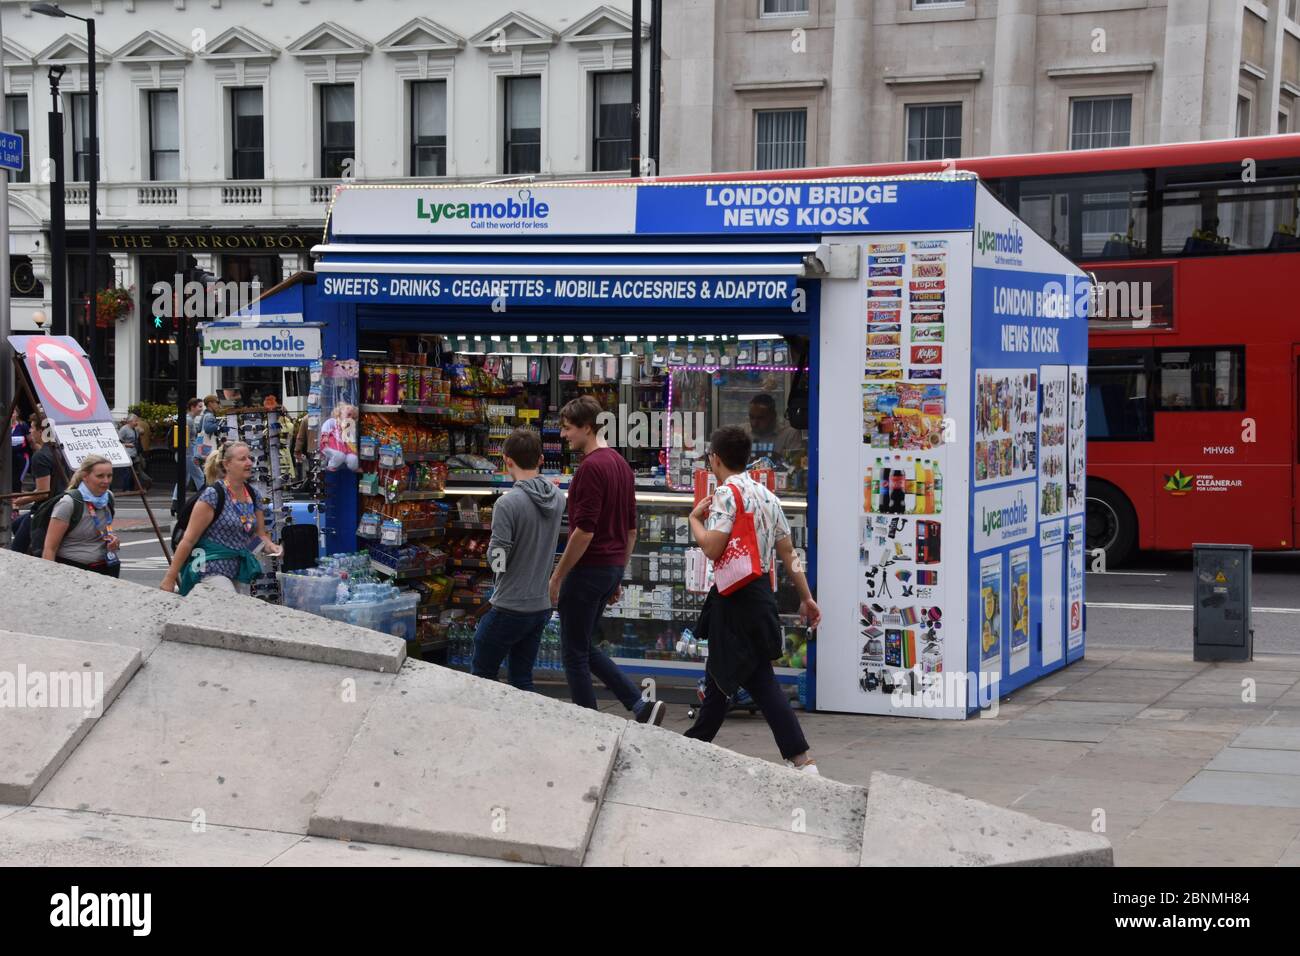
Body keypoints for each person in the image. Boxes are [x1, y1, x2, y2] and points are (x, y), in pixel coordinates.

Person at [683, 425, 822, 773]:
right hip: (759, 594)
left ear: (714, 459)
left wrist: (693, 520)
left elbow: (713, 547)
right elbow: (789, 554)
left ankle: (690, 748)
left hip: (733, 598)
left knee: (733, 675)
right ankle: (801, 760)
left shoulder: (726, 495)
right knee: (743, 678)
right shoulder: (766, 495)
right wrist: (806, 597)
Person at [549, 395, 666, 725]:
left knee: (573, 653)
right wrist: (618, 574)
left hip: (587, 569)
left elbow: (583, 532)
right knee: (583, 644)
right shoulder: (620, 465)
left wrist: (557, 577)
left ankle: (589, 724)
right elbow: (631, 530)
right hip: (610, 567)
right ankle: (640, 705)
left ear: (587, 428)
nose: (563, 435)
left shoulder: (590, 468)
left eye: (568, 428)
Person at [470, 427, 565, 691]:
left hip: (508, 606)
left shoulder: (507, 504)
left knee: (482, 676)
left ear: (507, 460)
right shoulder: (558, 498)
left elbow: (498, 558)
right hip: (540, 606)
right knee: (521, 679)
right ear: (541, 459)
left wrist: (491, 556)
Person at [159, 441, 282, 596]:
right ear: (227, 464)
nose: (250, 462)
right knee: (232, 607)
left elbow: (260, 535)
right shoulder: (213, 495)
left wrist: (271, 546)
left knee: (236, 615)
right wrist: (170, 578)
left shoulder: (253, 494)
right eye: (242, 459)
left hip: (237, 569)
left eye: (250, 458)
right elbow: (188, 539)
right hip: (210, 567)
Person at [40, 454, 121, 577]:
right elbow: (49, 548)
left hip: (104, 567)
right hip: (72, 570)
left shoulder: (109, 497)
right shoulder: (68, 503)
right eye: (100, 476)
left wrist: (112, 538)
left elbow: (101, 529)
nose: (106, 481)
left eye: (109, 476)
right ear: (85, 476)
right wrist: (49, 579)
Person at [746, 394, 804, 463]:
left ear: (773, 416)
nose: (754, 423)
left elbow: (797, 465)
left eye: (760, 418)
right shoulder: (744, 433)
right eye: (751, 417)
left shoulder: (790, 434)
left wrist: (777, 458)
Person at [117, 414, 143, 490]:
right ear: (130, 421)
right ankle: (126, 489)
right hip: (127, 454)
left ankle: (132, 488)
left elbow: (142, 432)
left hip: (134, 454)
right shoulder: (124, 429)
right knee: (127, 472)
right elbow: (118, 442)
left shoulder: (135, 429)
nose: (137, 422)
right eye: (135, 421)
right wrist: (127, 445)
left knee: (134, 472)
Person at [10, 409, 31, 493]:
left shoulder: (23, 425)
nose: (11, 414)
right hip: (8, 459)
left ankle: (16, 503)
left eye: (13, 412)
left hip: (21, 457)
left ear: (17, 414)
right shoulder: (3, 425)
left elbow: (30, 440)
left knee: (17, 481)